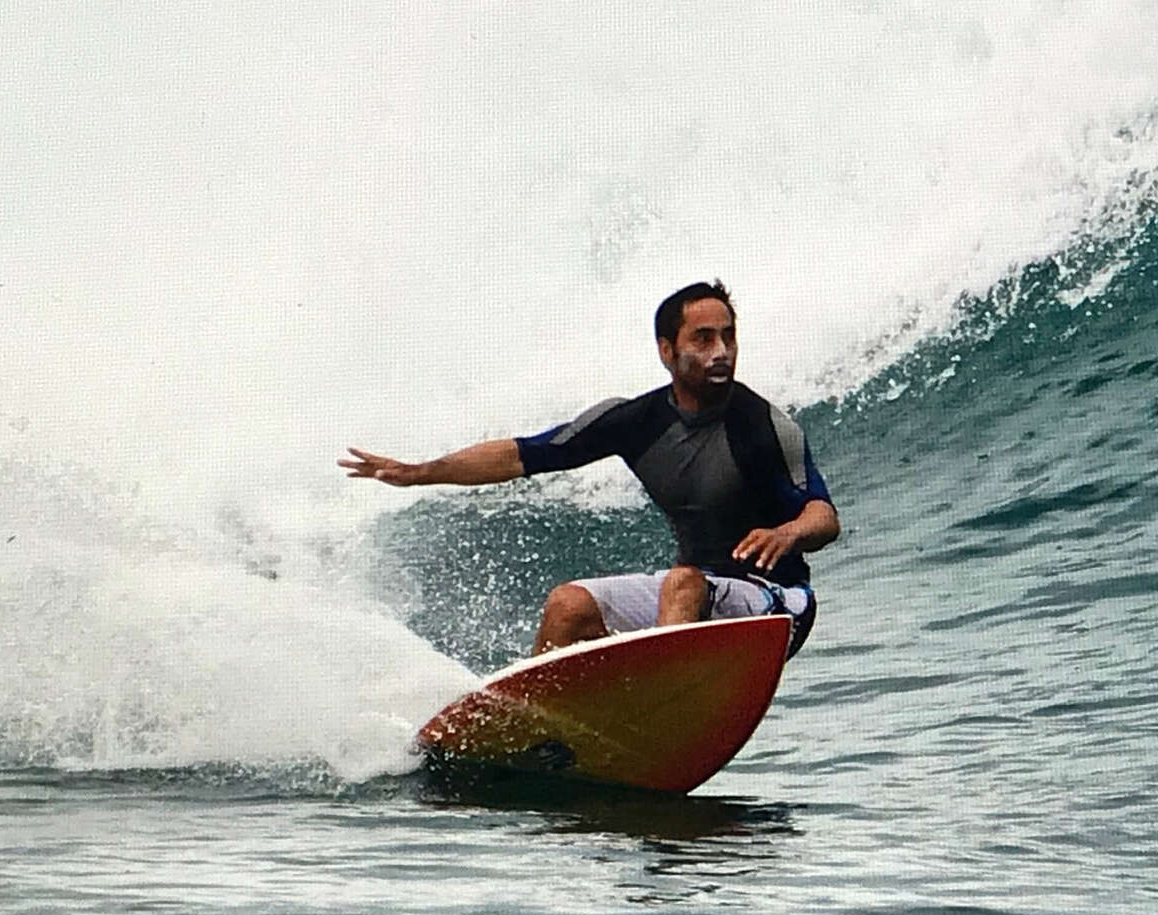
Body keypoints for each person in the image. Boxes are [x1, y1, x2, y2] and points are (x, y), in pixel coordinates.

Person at [339, 280, 840, 657]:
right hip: (691, 599)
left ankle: (663, 712)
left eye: (728, 337)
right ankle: (533, 729)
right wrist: (418, 473)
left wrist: (789, 532)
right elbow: (522, 454)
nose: (722, 352)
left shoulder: (763, 424)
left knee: (681, 583)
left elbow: (824, 515)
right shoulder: (635, 421)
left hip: (775, 604)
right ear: (666, 350)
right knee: (568, 604)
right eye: (703, 339)